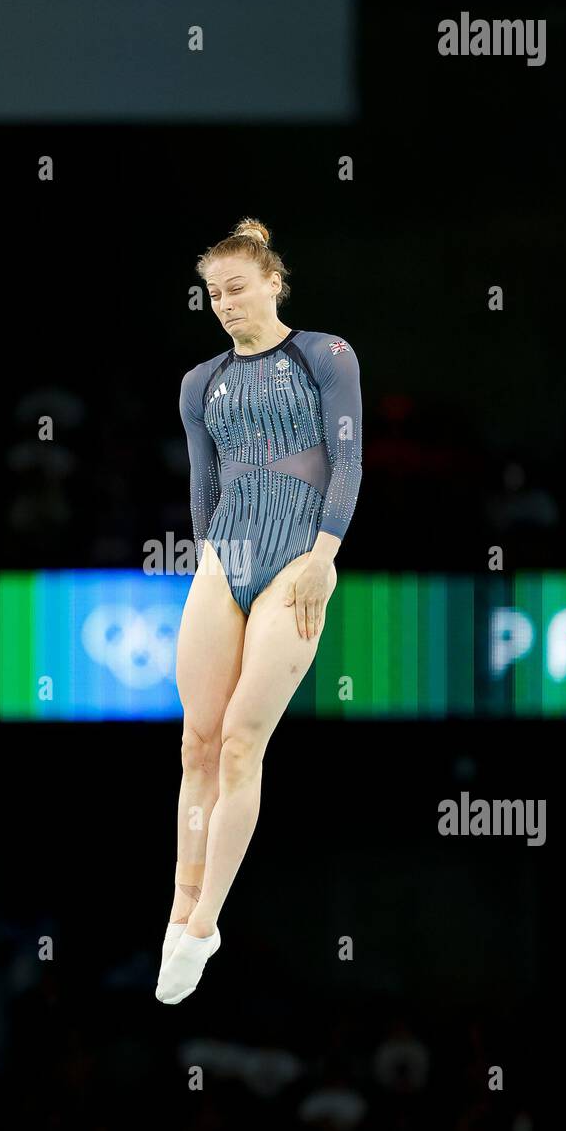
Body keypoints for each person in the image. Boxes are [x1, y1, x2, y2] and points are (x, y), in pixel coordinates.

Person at [156, 218, 362, 1004]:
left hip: (297, 563)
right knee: (195, 743)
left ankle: (206, 924)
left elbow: (348, 455)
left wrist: (325, 556)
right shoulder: (199, 382)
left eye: (238, 288)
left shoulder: (326, 355)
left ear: (274, 282)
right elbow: (202, 488)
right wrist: (208, 562)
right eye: (214, 294)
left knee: (242, 744)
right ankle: (178, 910)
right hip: (224, 560)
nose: (226, 304)